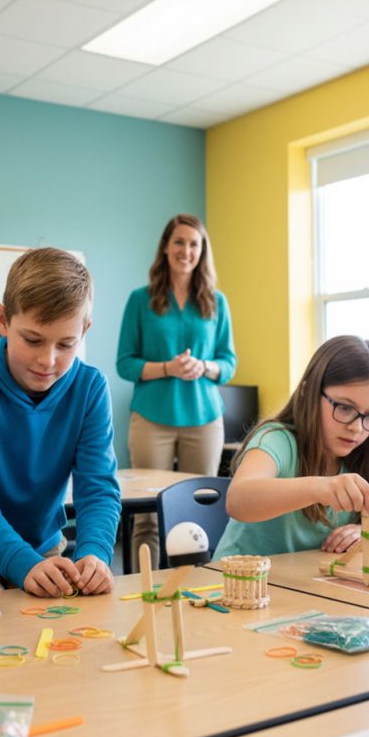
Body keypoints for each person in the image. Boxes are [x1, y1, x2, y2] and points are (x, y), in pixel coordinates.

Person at [0, 247, 120, 598]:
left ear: (85, 329)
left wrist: (94, 554)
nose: (47, 360)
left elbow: (98, 489)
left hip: (41, 548)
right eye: (32, 340)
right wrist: (22, 562)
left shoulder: (90, 388)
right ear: (2, 320)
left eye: (66, 344)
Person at [213, 335, 369, 560]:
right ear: (307, 392)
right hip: (240, 583)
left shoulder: (366, 452)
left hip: (308, 583)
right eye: (344, 408)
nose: (356, 427)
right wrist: (319, 488)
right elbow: (238, 500)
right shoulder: (277, 439)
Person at [117, 213, 236, 566]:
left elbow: (228, 362)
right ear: (166, 247)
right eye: (179, 242)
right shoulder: (140, 300)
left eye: (194, 244)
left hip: (204, 421)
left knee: (199, 514)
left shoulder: (217, 302)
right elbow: (125, 363)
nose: (186, 250)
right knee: (147, 517)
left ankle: (195, 593)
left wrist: (204, 366)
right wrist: (167, 367)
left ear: (202, 251)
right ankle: (143, 594)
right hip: (152, 420)